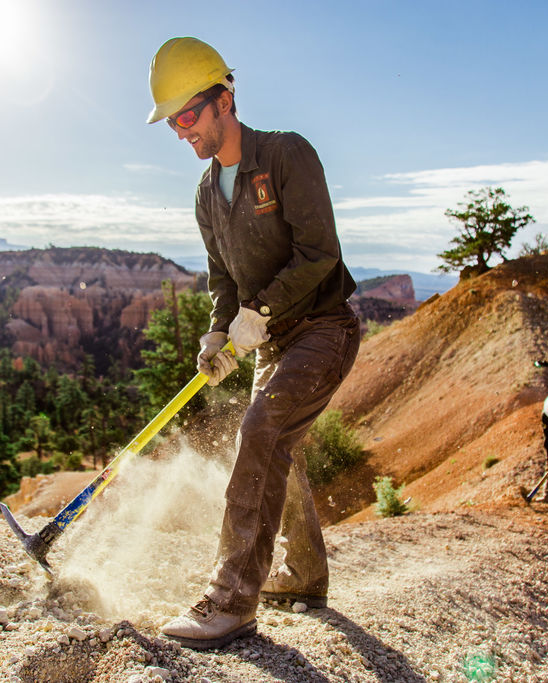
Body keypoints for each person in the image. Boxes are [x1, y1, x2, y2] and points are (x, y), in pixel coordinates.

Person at [146, 37, 361, 650]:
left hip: (323, 329)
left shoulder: (287, 154)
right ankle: (306, 576)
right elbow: (224, 280)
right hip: (270, 341)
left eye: (189, 115)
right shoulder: (205, 194)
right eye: (172, 123)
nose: (182, 131)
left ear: (226, 99)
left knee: (260, 433)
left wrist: (259, 312)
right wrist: (220, 331)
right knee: (275, 444)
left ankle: (231, 599)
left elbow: (320, 255)